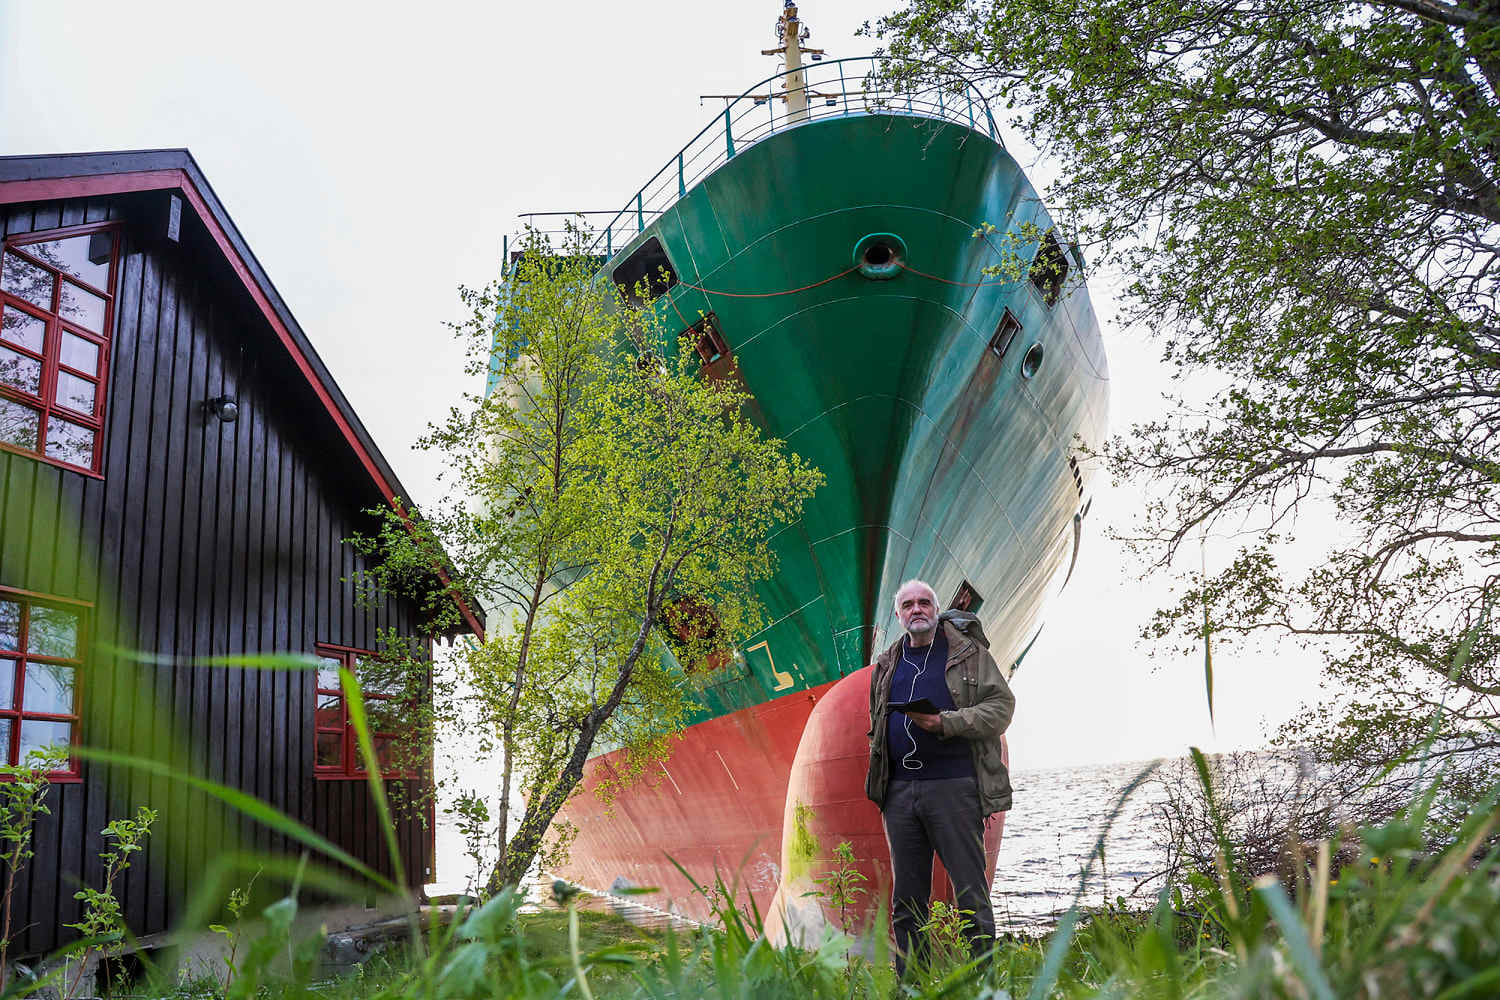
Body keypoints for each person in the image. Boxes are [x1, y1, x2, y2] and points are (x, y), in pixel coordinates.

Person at [864, 578, 1015, 973]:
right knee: (906, 900)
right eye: (909, 605)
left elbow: (1001, 707)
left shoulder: (967, 653)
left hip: (954, 789)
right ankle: (911, 985)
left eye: (925, 603)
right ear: (897, 615)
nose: (917, 610)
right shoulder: (886, 664)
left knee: (970, 891)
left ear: (936, 609)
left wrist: (946, 723)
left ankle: (984, 982)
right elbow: (875, 724)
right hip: (899, 793)